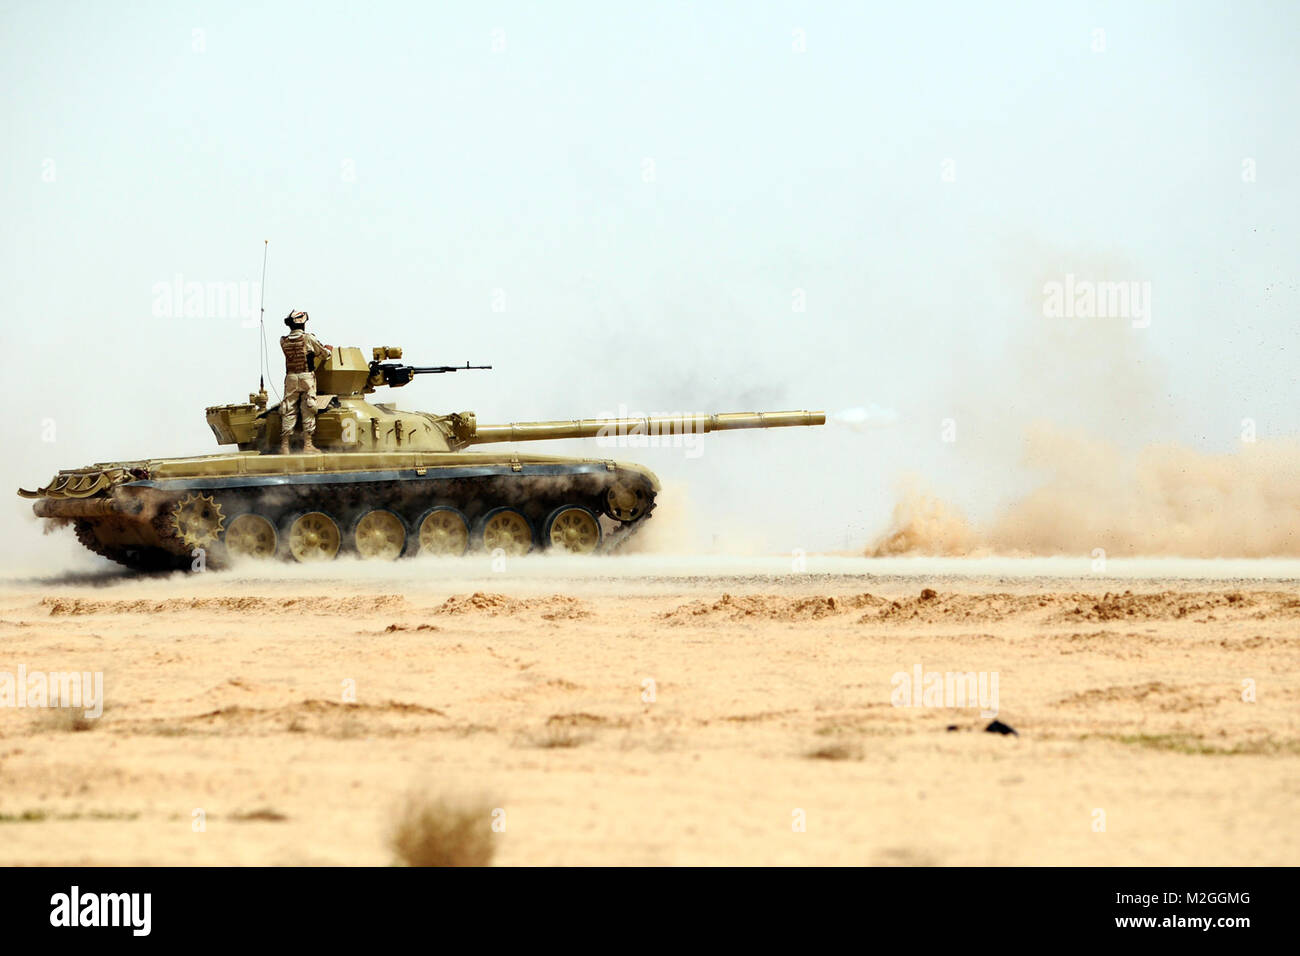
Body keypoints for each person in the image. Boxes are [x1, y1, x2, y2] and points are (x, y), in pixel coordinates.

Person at [279, 310, 333, 454]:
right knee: (308, 407)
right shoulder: (308, 338)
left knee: (288, 409)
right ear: (302, 323)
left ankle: (285, 446)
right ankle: (308, 445)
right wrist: (329, 351)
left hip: (290, 377)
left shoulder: (283, 340)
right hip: (306, 376)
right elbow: (324, 354)